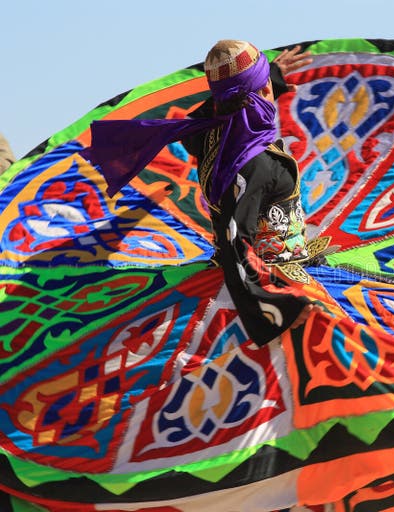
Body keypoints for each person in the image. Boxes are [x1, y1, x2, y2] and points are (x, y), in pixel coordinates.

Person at [84, 40, 320, 344]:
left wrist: (267, 75)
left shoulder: (209, 132)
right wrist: (276, 309)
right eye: (265, 85)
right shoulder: (253, 163)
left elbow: (221, 104)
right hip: (269, 282)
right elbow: (237, 244)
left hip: (235, 273)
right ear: (263, 91)